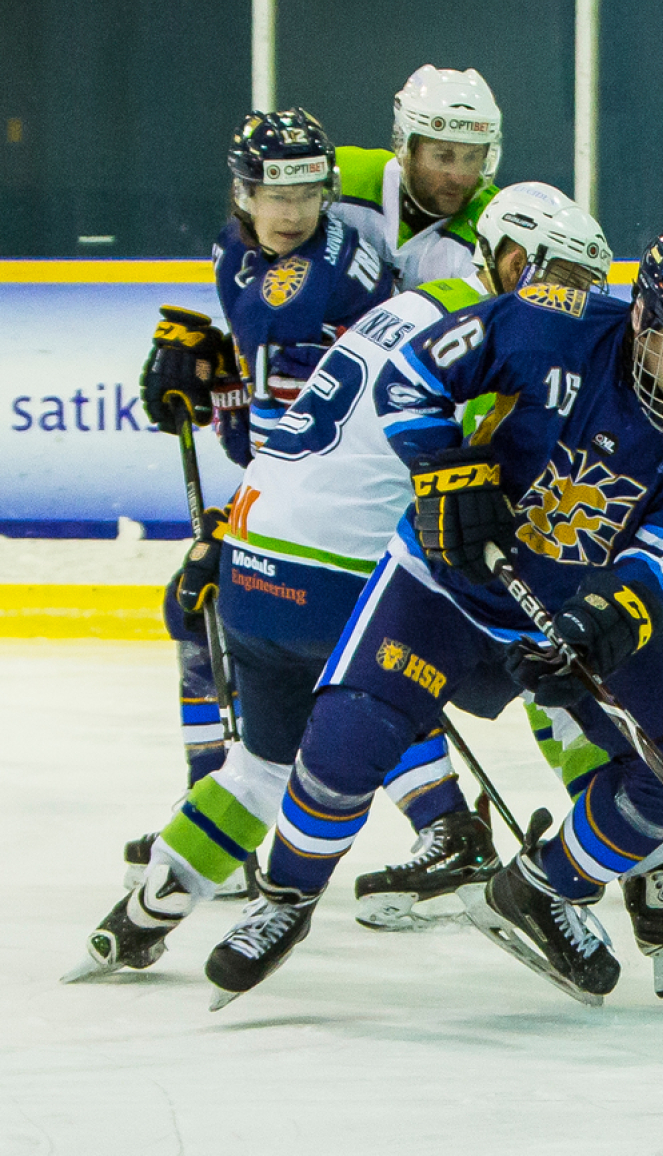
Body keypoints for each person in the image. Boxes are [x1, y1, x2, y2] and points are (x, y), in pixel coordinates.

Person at [199, 226, 663, 1008]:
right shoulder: (551, 321)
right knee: (348, 738)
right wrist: (446, 469)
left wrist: (612, 614)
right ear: (643, 319)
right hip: (449, 580)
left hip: (579, 603)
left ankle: (544, 887)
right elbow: (408, 375)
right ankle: (286, 899)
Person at [66, 183, 615, 984]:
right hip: (336, 580)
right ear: (511, 257)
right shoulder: (498, 335)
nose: (572, 299)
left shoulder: (414, 304)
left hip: (251, 561)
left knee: (259, 767)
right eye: (562, 275)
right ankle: (631, 868)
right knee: (551, 661)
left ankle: (140, 916)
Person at [120, 108, 393, 896]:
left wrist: (229, 372)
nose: (290, 211)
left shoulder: (329, 270)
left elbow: (292, 360)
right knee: (195, 609)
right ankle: (212, 797)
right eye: (273, 193)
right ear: (242, 193)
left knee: (352, 656)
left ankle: (445, 821)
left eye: (307, 192)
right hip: (283, 484)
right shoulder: (238, 250)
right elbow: (256, 429)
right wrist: (213, 373)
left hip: (344, 498)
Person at [330, 65, 503, 291]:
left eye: (471, 158)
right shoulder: (341, 176)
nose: (458, 177)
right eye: (443, 156)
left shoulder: (496, 224)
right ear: (405, 147)